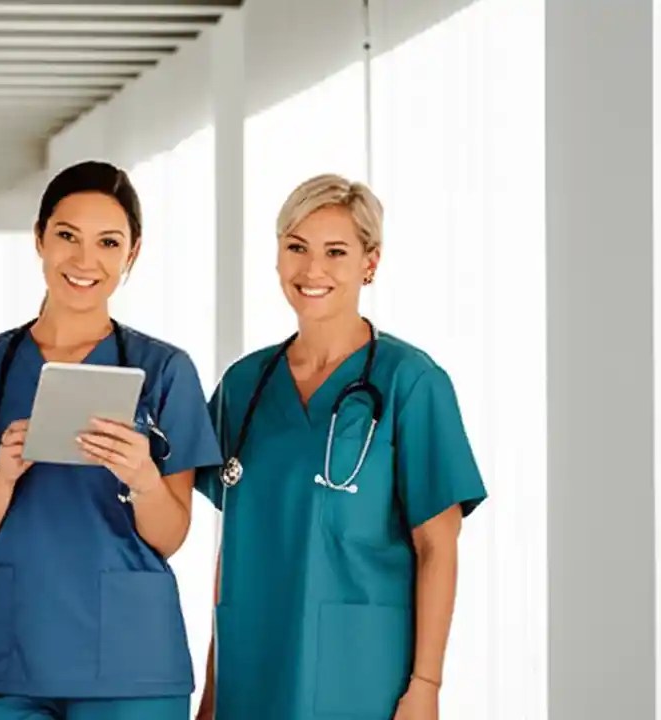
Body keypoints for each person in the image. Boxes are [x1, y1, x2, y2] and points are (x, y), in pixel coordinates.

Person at [0, 161, 223, 720]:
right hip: (11, 661)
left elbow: (172, 534)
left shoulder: (164, 371)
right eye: (67, 236)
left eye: (108, 242)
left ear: (132, 253)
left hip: (133, 666)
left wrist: (143, 477)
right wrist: (3, 477)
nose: (85, 261)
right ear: (39, 239)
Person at [195, 174, 488, 720]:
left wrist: (426, 685)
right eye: (296, 248)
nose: (312, 270)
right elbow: (234, 546)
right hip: (253, 667)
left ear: (369, 263)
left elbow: (438, 545)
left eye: (336, 252)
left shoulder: (410, 382)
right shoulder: (244, 385)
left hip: (363, 673)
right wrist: (213, 693)